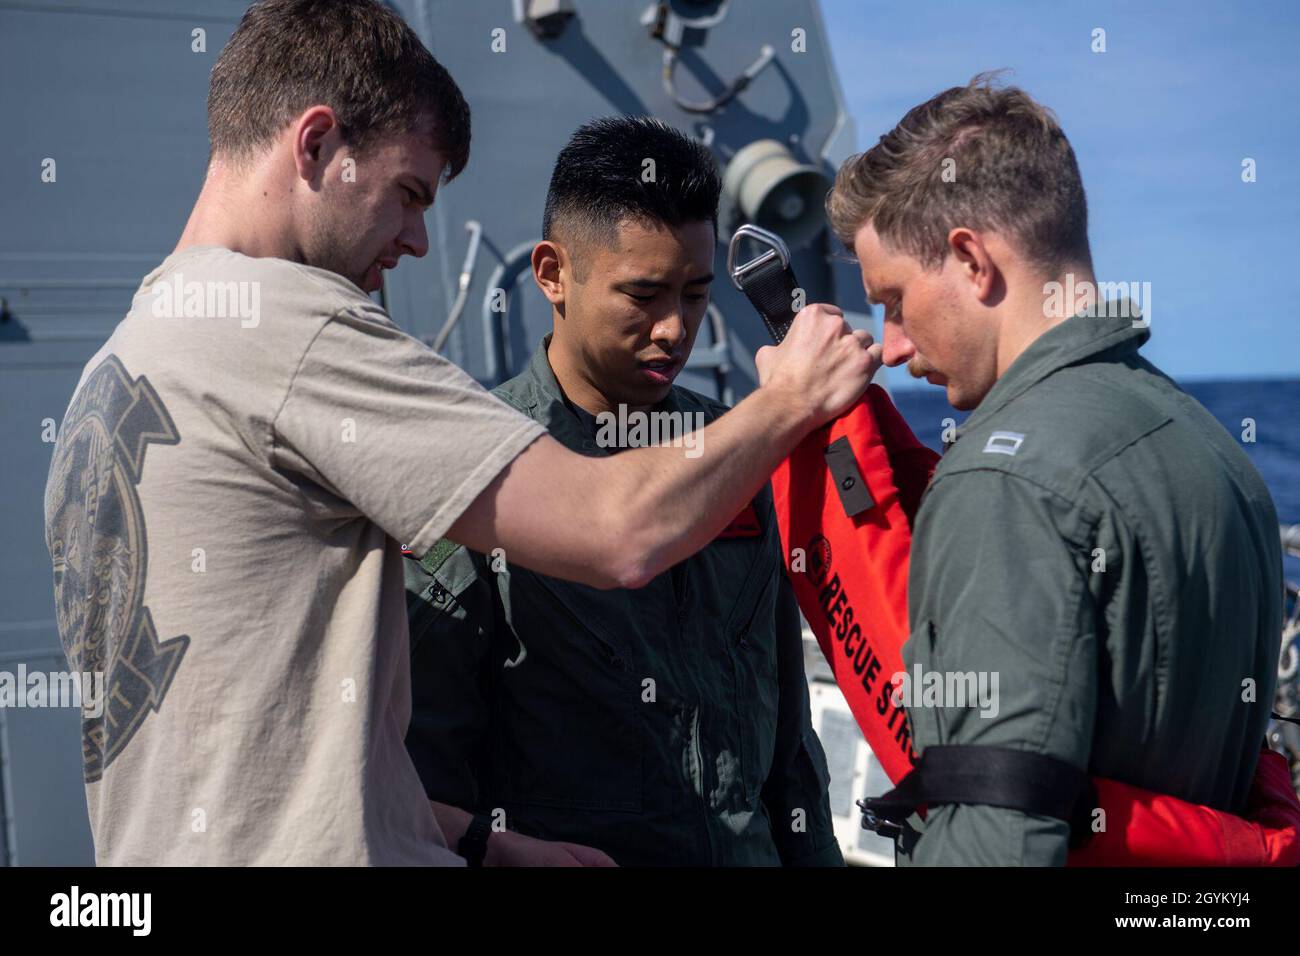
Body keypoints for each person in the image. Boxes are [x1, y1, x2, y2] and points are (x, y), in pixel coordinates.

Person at [41, 0, 879, 866]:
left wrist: (491, 847)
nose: (414, 239)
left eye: (694, 295)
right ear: (316, 144)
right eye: (408, 194)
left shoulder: (130, 360)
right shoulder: (287, 328)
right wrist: (786, 400)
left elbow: (264, 751)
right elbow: (618, 534)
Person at [824, 73, 1283, 865]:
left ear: (971, 259)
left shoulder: (1003, 484)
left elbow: (994, 835)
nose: (891, 348)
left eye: (894, 300)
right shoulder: (1211, 450)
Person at [404, 117, 844, 867]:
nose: (676, 329)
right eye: (643, 294)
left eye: (696, 293)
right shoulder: (477, 477)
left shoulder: (738, 455)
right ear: (551, 274)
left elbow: (788, 733)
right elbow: (430, 772)